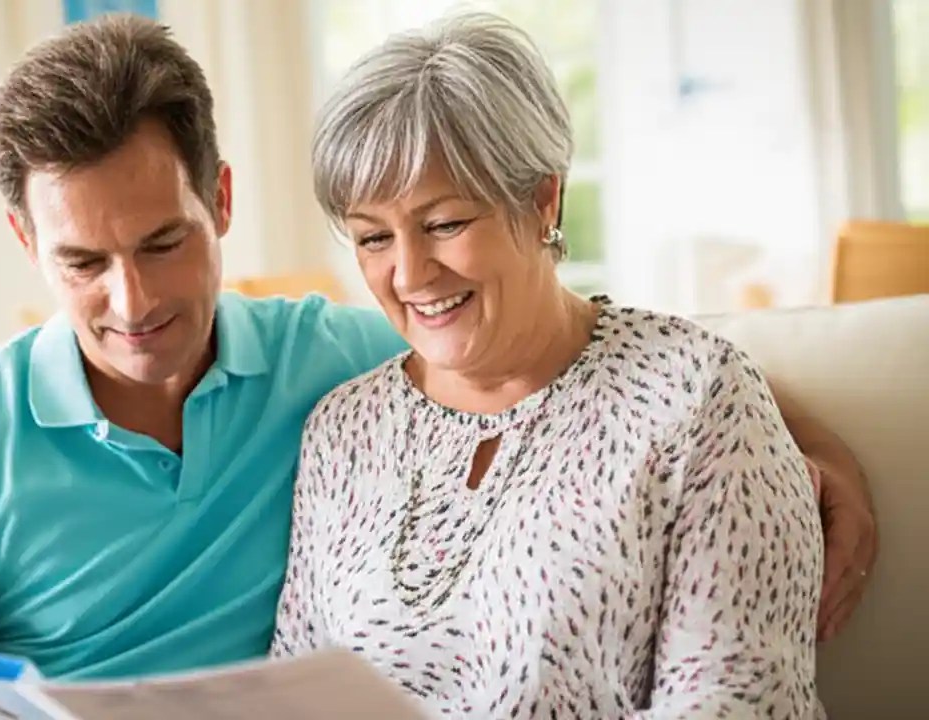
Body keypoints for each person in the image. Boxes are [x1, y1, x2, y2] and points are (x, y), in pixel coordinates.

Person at [0, 13, 875, 719]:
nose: (133, 302)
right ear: (26, 243)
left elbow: (611, 363)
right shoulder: (343, 415)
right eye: (81, 263)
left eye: (162, 243)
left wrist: (809, 444)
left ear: (223, 203)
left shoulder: (328, 362)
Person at [271, 12, 832, 717]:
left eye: (445, 224)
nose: (410, 273)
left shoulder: (696, 395)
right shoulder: (341, 429)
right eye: (372, 237)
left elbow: (739, 705)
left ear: (543, 199)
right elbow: (291, 695)